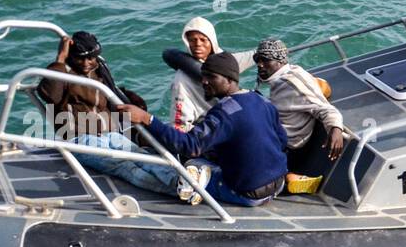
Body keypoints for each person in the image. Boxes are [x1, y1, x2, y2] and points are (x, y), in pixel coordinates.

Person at [117, 51, 289, 206]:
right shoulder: (261, 100)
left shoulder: (225, 112)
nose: (204, 81)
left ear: (229, 80)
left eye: (211, 77)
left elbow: (189, 146)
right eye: (203, 76)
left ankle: (138, 163)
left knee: (189, 165)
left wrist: (147, 119)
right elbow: (282, 141)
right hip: (278, 185)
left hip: (248, 194)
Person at [250, 38, 345, 191]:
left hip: (286, 148)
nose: (260, 64)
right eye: (258, 60)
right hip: (274, 135)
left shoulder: (292, 83)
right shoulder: (275, 78)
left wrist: (335, 129)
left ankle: (290, 178)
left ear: (280, 61)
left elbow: (326, 109)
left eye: (266, 60)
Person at [36, 31, 146, 140]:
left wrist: (132, 101)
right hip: (80, 136)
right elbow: (51, 95)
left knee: (143, 153)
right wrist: (60, 58)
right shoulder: (63, 73)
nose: (85, 63)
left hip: (109, 133)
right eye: (79, 58)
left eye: (90, 58)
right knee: (119, 157)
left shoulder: (99, 69)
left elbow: (111, 91)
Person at [164, 17, 255, 131]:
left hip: (234, 116)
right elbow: (179, 125)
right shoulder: (182, 80)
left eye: (203, 39)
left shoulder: (225, 61)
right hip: (209, 127)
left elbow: (249, 57)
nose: (197, 44)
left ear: (212, 41)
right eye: (192, 40)